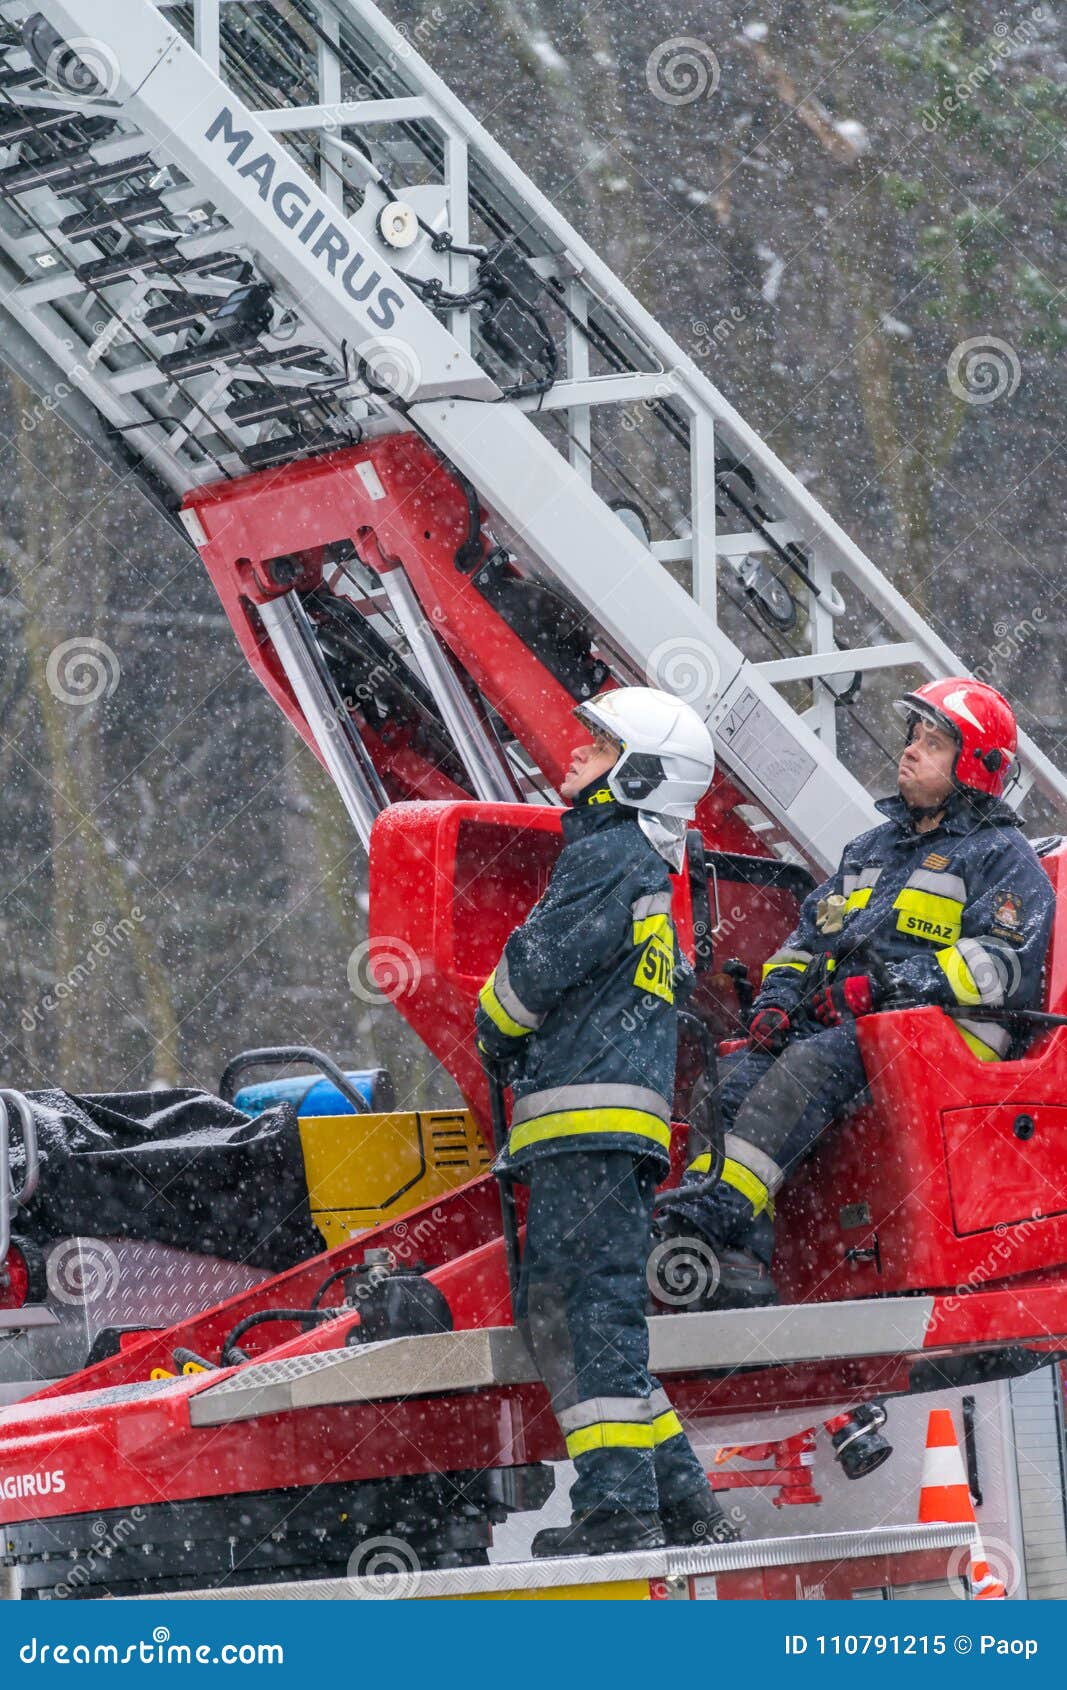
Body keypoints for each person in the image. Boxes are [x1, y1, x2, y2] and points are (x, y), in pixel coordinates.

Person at [660, 678, 1056, 1311]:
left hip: (939, 1046)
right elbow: (805, 939)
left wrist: (885, 989)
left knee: (807, 1066)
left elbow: (1002, 966)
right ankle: (737, 1262)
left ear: (976, 766)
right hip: (852, 1033)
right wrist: (778, 999)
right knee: (723, 1079)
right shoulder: (869, 851)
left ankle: (705, 1219)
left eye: (934, 742)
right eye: (913, 736)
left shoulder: (1002, 858)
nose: (911, 750)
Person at [474, 685, 736, 1558]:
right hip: (599, 1132)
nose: (574, 751)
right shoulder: (637, 865)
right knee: (581, 1315)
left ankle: (618, 1509)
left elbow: (530, 975)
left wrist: (491, 1024)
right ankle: (686, 1502)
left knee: (585, 1317)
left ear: (638, 776)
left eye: (597, 745)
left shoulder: (607, 857)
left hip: (583, 1129)